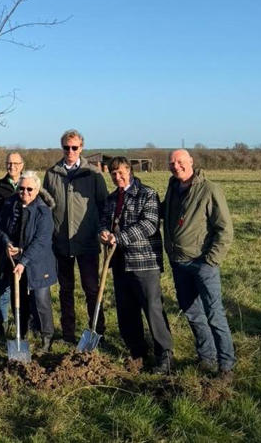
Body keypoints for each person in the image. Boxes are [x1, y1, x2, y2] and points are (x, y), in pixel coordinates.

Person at [162, 149, 236, 379]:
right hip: (178, 262)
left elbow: (225, 229)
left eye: (180, 162)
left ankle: (226, 365)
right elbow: (164, 213)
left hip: (202, 263)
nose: (176, 166)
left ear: (191, 162)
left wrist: (210, 260)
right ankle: (206, 357)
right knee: (192, 313)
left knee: (214, 314)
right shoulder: (173, 187)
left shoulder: (209, 189)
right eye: (172, 163)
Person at [99, 157, 173, 373]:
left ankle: (164, 355)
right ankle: (137, 352)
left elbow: (149, 224)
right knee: (126, 310)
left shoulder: (147, 194)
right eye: (113, 174)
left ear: (129, 171)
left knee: (152, 308)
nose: (117, 177)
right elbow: (104, 221)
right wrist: (103, 232)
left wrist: (119, 237)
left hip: (144, 262)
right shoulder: (111, 198)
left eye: (121, 173)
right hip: (119, 262)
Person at [43, 129, 108, 344]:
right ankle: (68, 334)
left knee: (91, 289)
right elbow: (46, 206)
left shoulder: (93, 174)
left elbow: (104, 205)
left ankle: (97, 331)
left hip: (87, 241)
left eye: (74, 147)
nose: (70, 151)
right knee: (66, 290)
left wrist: (102, 231)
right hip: (61, 242)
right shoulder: (52, 173)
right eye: (66, 147)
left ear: (81, 148)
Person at [0, 171, 57, 352]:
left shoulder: (43, 211)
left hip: (38, 263)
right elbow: (0, 228)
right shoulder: (10, 205)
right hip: (14, 261)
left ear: (37, 190)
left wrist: (24, 258)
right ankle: (20, 335)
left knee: (40, 301)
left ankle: (46, 337)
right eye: (22, 188)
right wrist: (7, 243)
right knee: (18, 299)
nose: (25, 192)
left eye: (30, 189)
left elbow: (41, 240)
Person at [0, 152, 24, 338]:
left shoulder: (29, 185)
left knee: (23, 288)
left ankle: (22, 325)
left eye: (16, 163)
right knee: (2, 287)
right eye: (9, 163)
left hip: (24, 246)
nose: (12, 166)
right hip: (3, 245)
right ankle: (1, 323)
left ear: (22, 165)